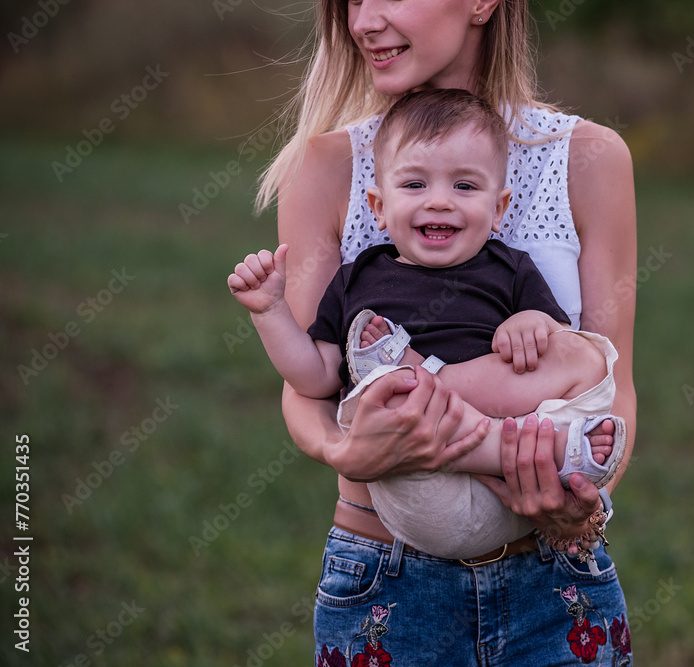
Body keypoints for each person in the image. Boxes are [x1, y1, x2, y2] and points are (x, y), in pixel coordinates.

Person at [254, 0, 637, 664]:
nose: (363, 21)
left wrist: (587, 506)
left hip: (554, 577)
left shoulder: (590, 157)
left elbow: (613, 381)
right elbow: (309, 387)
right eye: (350, 2)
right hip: (387, 575)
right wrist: (347, 453)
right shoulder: (324, 166)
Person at [229, 88, 626, 559]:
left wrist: (532, 322)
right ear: (378, 206)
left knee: (587, 353)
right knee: (379, 397)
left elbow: (560, 349)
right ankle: (435, 396)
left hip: (517, 492)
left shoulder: (511, 268)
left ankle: (425, 377)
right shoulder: (357, 280)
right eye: (415, 185)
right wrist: (269, 312)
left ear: (499, 209)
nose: (439, 202)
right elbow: (313, 378)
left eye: (464, 186)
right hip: (423, 491)